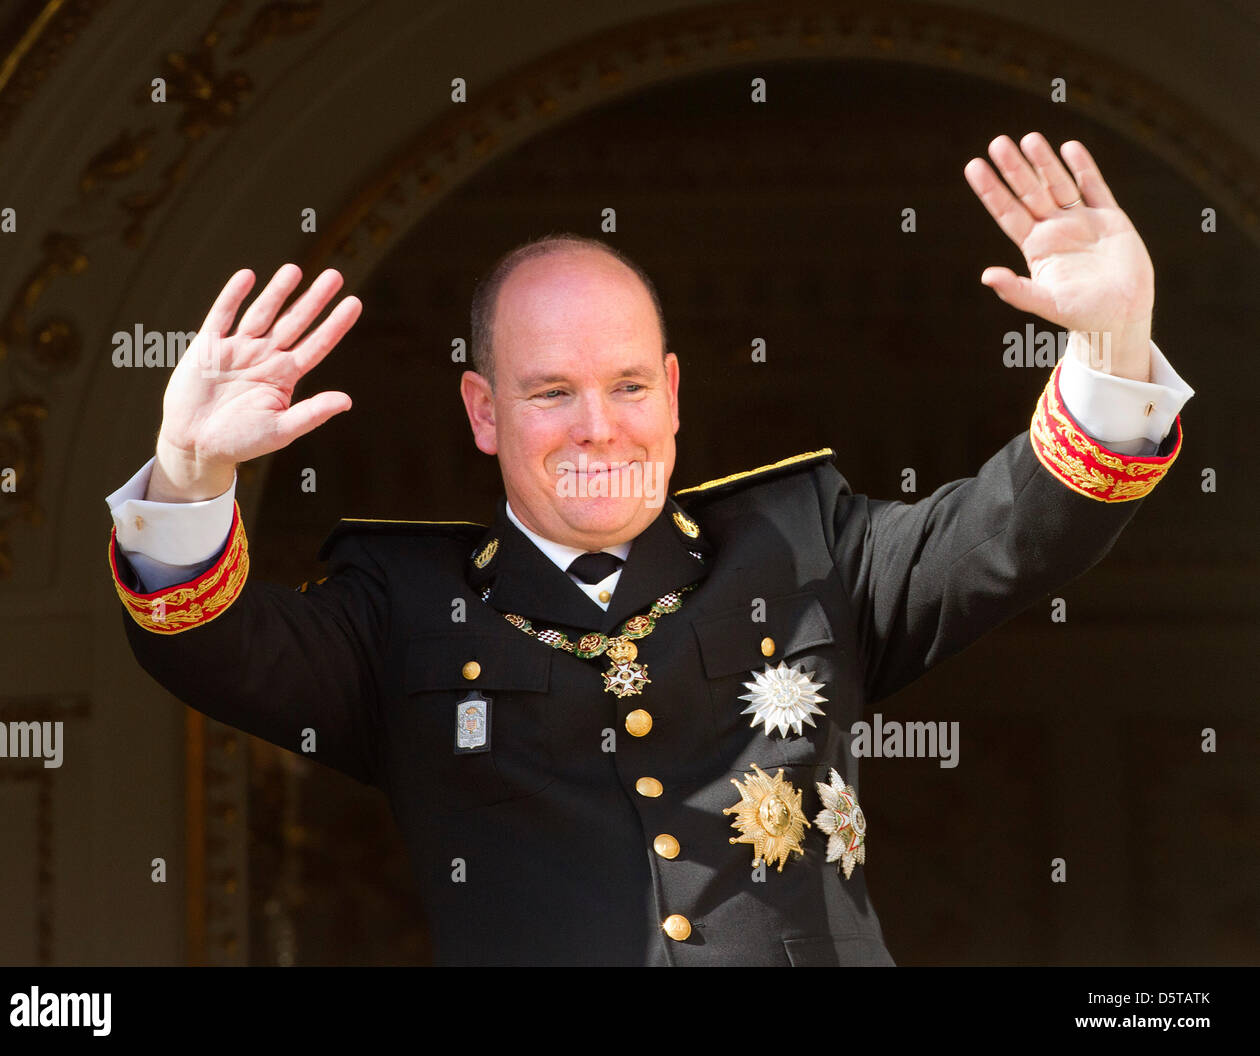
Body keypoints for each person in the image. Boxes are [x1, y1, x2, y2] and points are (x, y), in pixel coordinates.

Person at [107, 133, 1192, 965]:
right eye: (550, 393)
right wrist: (192, 470)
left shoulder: (808, 545)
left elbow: (1019, 532)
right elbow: (214, 646)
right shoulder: (400, 606)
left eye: (627, 386)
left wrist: (1113, 341)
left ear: (671, 394)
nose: (598, 426)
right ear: (482, 412)